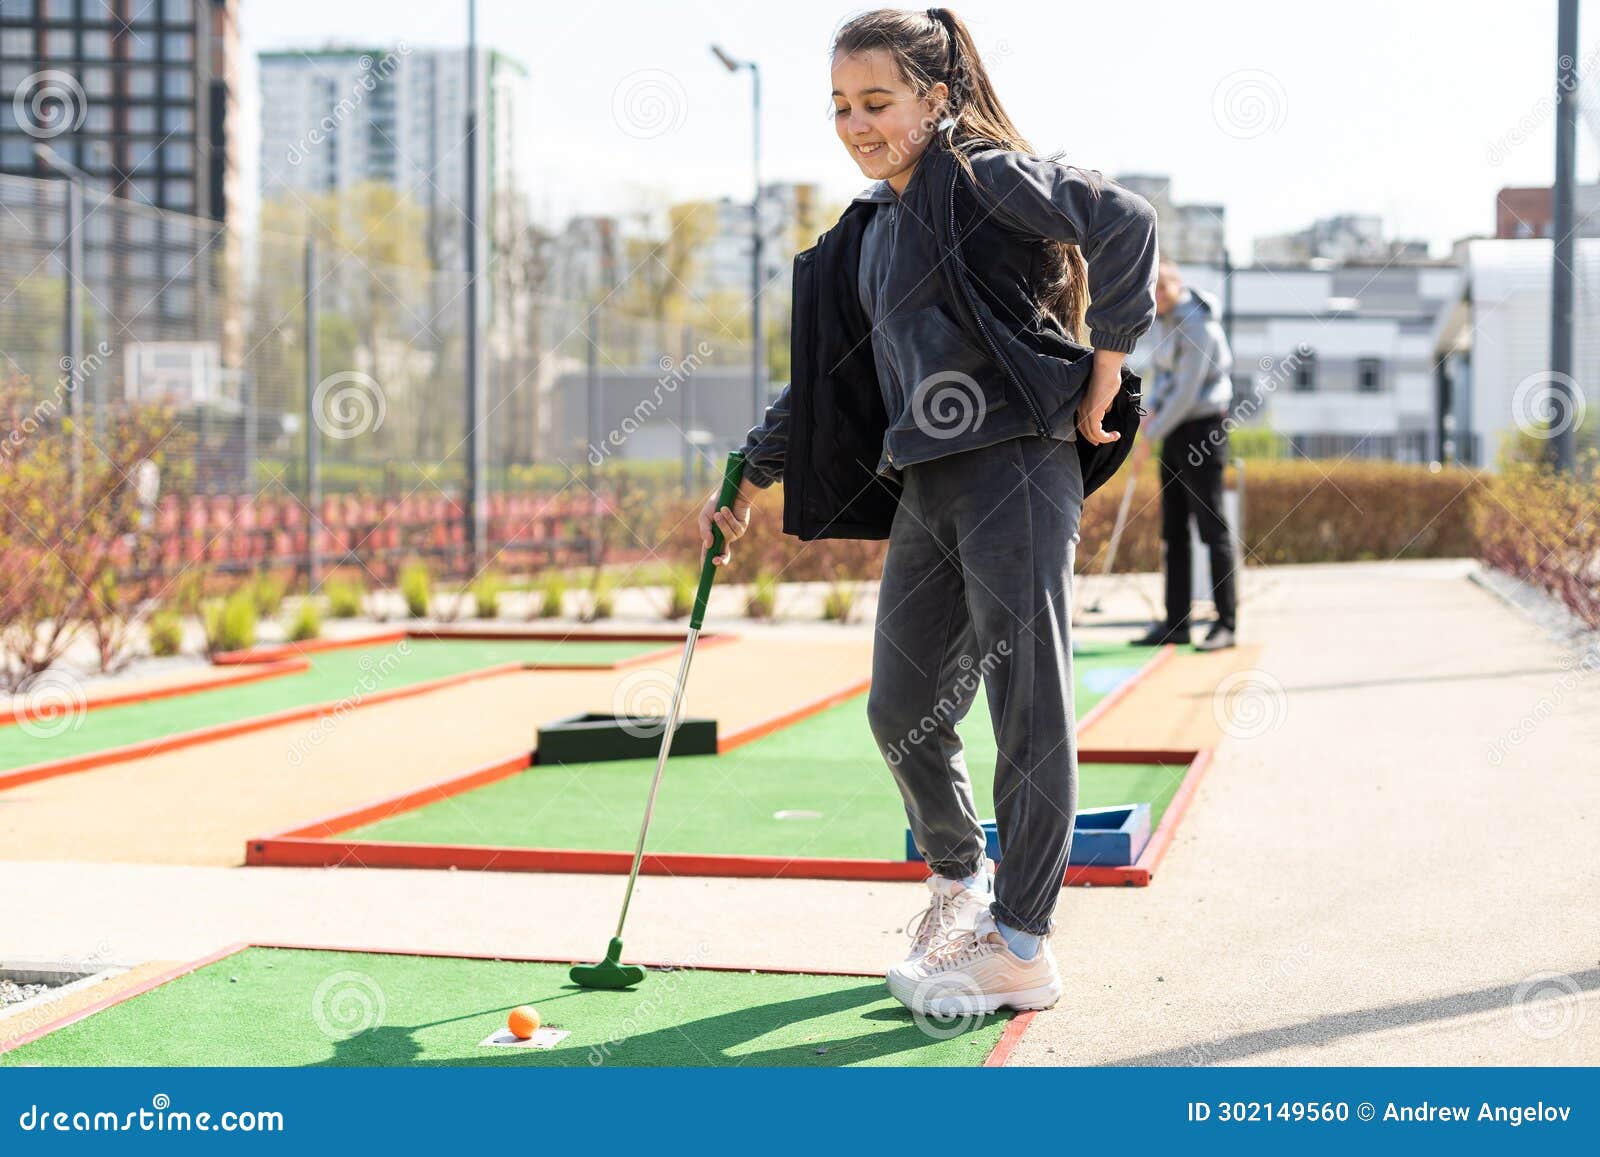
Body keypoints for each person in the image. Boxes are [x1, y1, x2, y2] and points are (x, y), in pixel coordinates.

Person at [696, 7, 1158, 1017]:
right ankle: (960, 887)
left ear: (934, 97)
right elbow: (832, 383)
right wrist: (748, 475)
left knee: (1026, 706)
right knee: (901, 708)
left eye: (877, 101)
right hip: (929, 480)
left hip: (1016, 468)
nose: (856, 124)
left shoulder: (979, 172)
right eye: (840, 107)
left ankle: (1022, 945)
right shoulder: (872, 227)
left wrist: (1106, 366)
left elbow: (1123, 219)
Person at [1129, 258, 1239, 652]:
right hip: (1174, 431)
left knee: (1212, 528)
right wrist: (1148, 416)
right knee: (1173, 530)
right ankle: (1176, 623)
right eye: (1151, 292)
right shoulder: (1163, 319)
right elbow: (1162, 378)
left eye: (1162, 289)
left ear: (1176, 284)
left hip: (1202, 429)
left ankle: (1225, 623)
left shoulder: (1197, 323)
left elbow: (1188, 391)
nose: (1157, 298)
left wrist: (1149, 437)